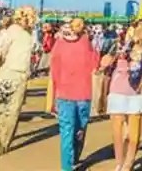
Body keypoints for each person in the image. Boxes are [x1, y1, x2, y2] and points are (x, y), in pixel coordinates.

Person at [0, 5, 37, 156]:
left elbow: (0, 51)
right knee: (12, 109)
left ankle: (3, 138)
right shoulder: (30, 35)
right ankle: (5, 138)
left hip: (7, 72)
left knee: (2, 107)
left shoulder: (11, 31)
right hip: (21, 74)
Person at [102, 20, 142, 171]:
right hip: (117, 90)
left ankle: (129, 162)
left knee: (133, 135)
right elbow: (104, 62)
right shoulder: (120, 46)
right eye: (138, 28)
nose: (140, 32)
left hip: (136, 94)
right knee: (117, 132)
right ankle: (120, 162)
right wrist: (118, 53)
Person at [51, 17, 99, 171]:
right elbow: (54, 69)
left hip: (79, 94)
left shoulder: (86, 42)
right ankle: (67, 166)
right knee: (70, 131)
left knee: (75, 130)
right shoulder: (62, 43)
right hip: (70, 95)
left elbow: (94, 64)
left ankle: (72, 159)